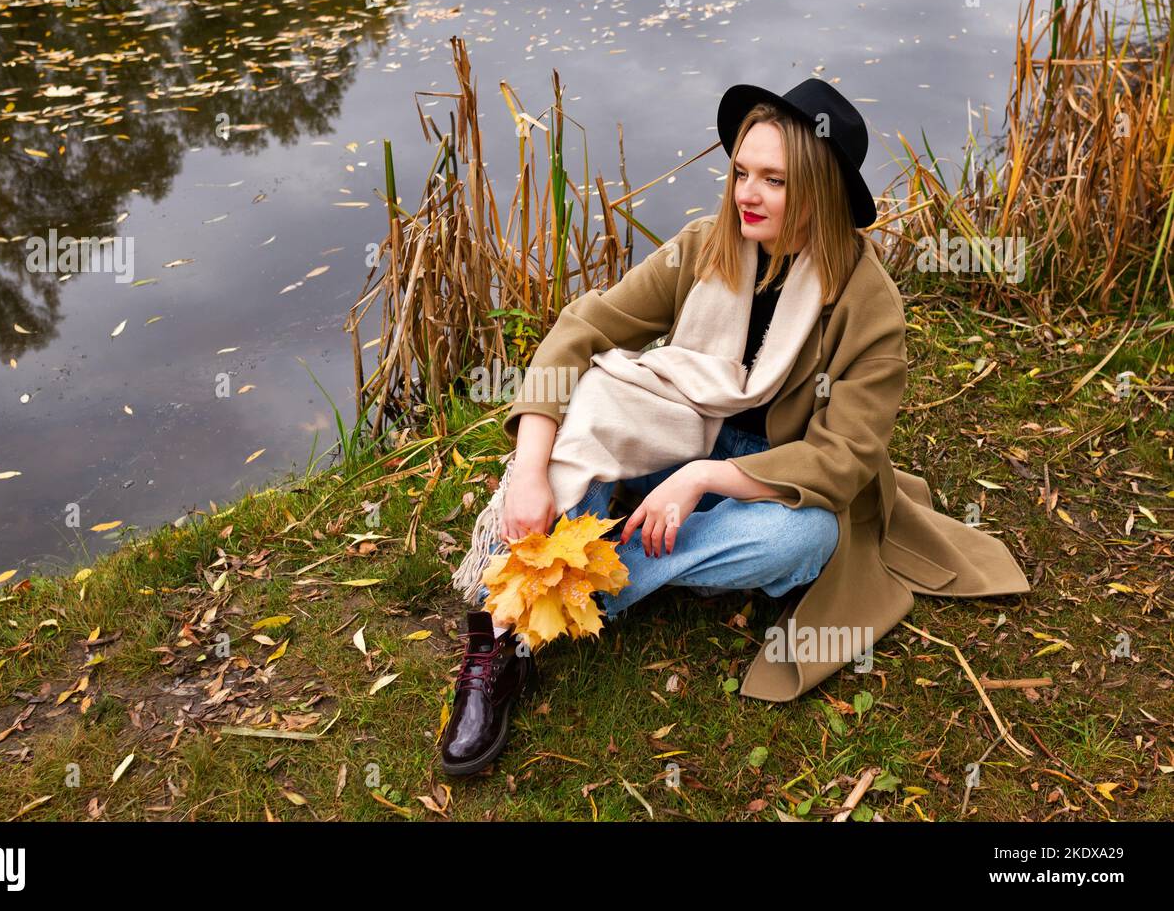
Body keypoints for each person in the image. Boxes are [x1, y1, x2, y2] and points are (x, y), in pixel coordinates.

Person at [440, 79, 1028, 777]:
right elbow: (583, 328)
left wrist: (705, 477)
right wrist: (533, 467)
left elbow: (841, 460)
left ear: (819, 190)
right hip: (684, 437)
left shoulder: (870, 306)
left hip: (776, 478)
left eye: (773, 180)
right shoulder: (706, 247)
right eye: (742, 172)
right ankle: (509, 635)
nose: (747, 194)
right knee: (598, 401)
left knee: (804, 538)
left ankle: (583, 585)